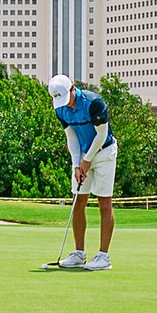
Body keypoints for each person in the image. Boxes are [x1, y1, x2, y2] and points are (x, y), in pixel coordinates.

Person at [47, 73, 115, 271]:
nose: (66, 105)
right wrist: (77, 164)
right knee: (78, 199)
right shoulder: (60, 109)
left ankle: (103, 257)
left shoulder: (94, 103)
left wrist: (87, 160)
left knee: (104, 202)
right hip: (83, 153)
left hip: (104, 152)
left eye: (67, 99)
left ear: (73, 87)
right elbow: (72, 137)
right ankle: (78, 253)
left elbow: (102, 135)